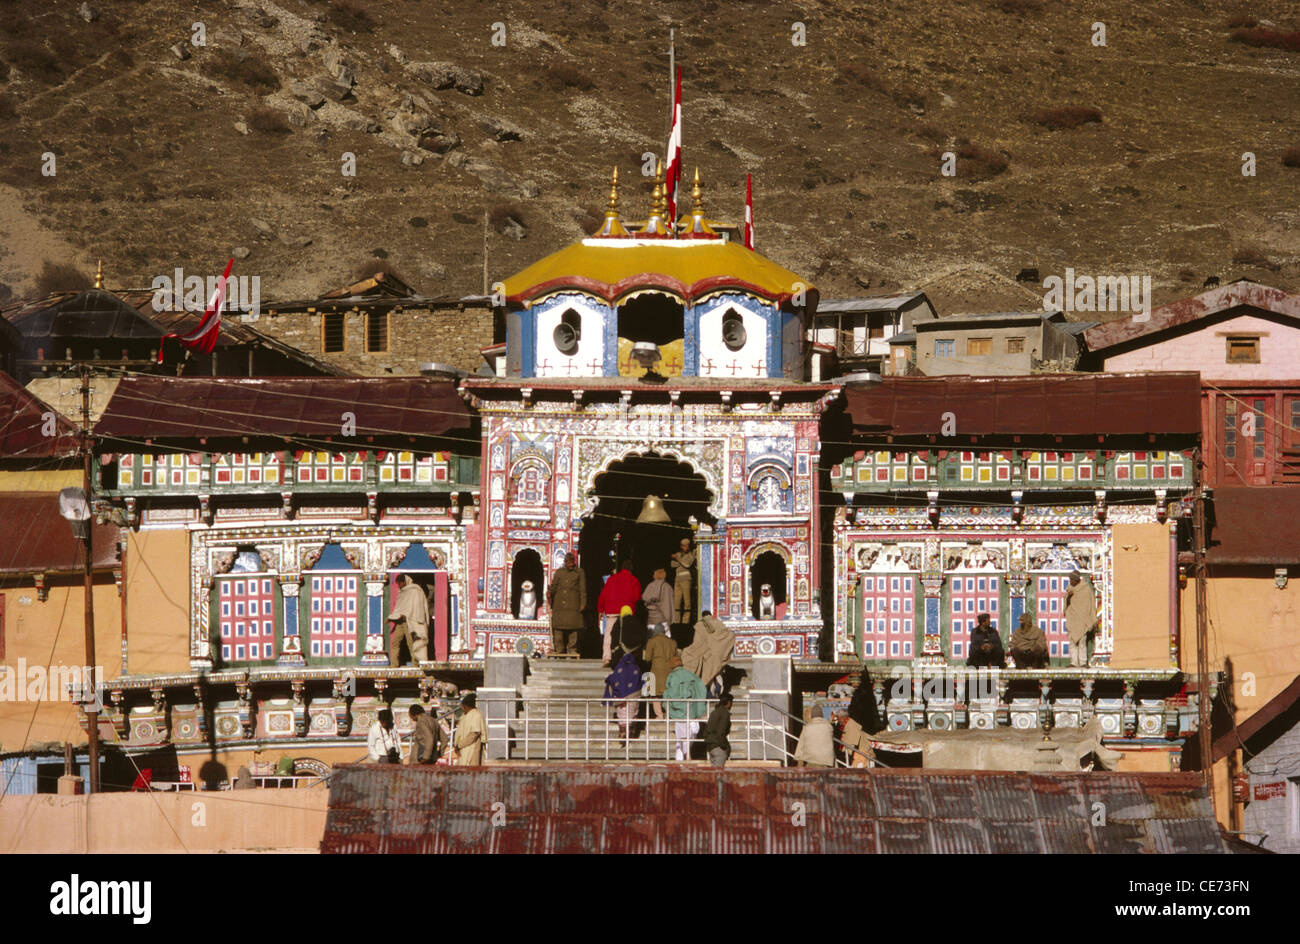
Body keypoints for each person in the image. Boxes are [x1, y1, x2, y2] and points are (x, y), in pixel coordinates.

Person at [604, 606, 647, 742]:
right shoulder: (637, 623)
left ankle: (623, 728)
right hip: (635, 666)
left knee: (622, 702)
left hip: (620, 664)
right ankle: (631, 727)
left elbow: (613, 641)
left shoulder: (619, 623)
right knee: (634, 702)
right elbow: (643, 639)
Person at [597, 560, 641, 666]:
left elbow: (603, 595)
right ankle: (625, 657)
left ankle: (607, 657)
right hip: (627, 611)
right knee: (626, 634)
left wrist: (600, 610)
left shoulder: (612, 579)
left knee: (609, 634)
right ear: (631, 569)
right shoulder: (634, 580)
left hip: (611, 610)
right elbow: (637, 597)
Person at [663, 655, 707, 760]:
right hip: (692, 710)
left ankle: (685, 756)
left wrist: (668, 707)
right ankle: (688, 754)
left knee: (681, 736)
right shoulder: (691, 675)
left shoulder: (672, 677)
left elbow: (669, 693)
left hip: (678, 712)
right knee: (691, 734)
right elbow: (702, 690)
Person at [681, 610, 735, 694]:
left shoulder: (700, 625)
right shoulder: (719, 624)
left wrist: (686, 652)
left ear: (702, 616)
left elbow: (697, 644)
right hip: (718, 656)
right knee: (715, 673)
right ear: (711, 615)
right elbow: (730, 635)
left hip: (706, 656)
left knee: (705, 675)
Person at [548, 552, 587, 657]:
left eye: (571, 562)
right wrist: (550, 592)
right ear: (565, 562)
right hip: (560, 605)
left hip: (574, 603)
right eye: (568, 562)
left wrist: (583, 603)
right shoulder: (559, 572)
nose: (570, 564)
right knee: (558, 628)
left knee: (573, 628)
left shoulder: (579, 572)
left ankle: (572, 649)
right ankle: (559, 649)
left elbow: (583, 589)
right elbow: (554, 587)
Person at [388, 573, 429, 666]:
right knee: (395, 642)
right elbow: (400, 607)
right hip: (400, 621)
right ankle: (394, 664)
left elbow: (417, 606)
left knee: (411, 643)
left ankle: (415, 664)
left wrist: (409, 614)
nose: (399, 585)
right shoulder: (402, 592)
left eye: (400, 583)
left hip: (411, 621)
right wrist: (393, 617)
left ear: (405, 582)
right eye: (398, 583)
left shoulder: (415, 591)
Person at [643, 623, 679, 720]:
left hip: (656, 670)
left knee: (655, 694)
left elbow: (647, 658)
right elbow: (676, 657)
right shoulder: (672, 642)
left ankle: (659, 715)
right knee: (668, 693)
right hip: (670, 670)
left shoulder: (652, 641)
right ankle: (669, 714)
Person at [1065, 572, 1097, 667]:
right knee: (1072, 642)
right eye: (1070, 580)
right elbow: (1066, 604)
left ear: (1077, 580)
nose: (1071, 582)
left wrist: (1092, 619)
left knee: (1082, 642)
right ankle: (1073, 662)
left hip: (1083, 620)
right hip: (1073, 619)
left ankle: (1083, 662)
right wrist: (1069, 597)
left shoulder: (1086, 589)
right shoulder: (1070, 589)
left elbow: (1090, 604)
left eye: (1072, 580)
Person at [454, 693, 487, 765]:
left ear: (465, 706)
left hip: (472, 750)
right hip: (463, 750)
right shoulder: (466, 716)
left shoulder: (476, 715)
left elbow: (474, 734)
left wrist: (459, 745)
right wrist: (457, 746)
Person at [703, 692, 733, 768]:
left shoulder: (715, 712)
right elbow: (721, 732)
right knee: (718, 772)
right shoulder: (724, 713)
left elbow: (707, 730)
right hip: (718, 746)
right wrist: (725, 747)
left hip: (711, 745)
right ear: (728, 702)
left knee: (714, 771)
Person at [669, 537, 696, 624]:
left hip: (686, 580)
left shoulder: (691, 554)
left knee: (687, 602)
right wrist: (680, 561)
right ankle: (676, 621)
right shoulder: (678, 554)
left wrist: (678, 560)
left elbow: (687, 565)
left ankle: (685, 621)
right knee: (676, 601)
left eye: (687, 545)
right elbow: (672, 564)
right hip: (677, 579)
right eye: (684, 545)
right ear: (681, 546)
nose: (686, 547)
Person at [641, 567, 674, 634]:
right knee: (664, 640)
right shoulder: (666, 587)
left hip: (650, 620)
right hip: (662, 621)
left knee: (651, 639)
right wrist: (670, 620)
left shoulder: (650, 586)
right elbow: (667, 606)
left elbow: (644, 598)